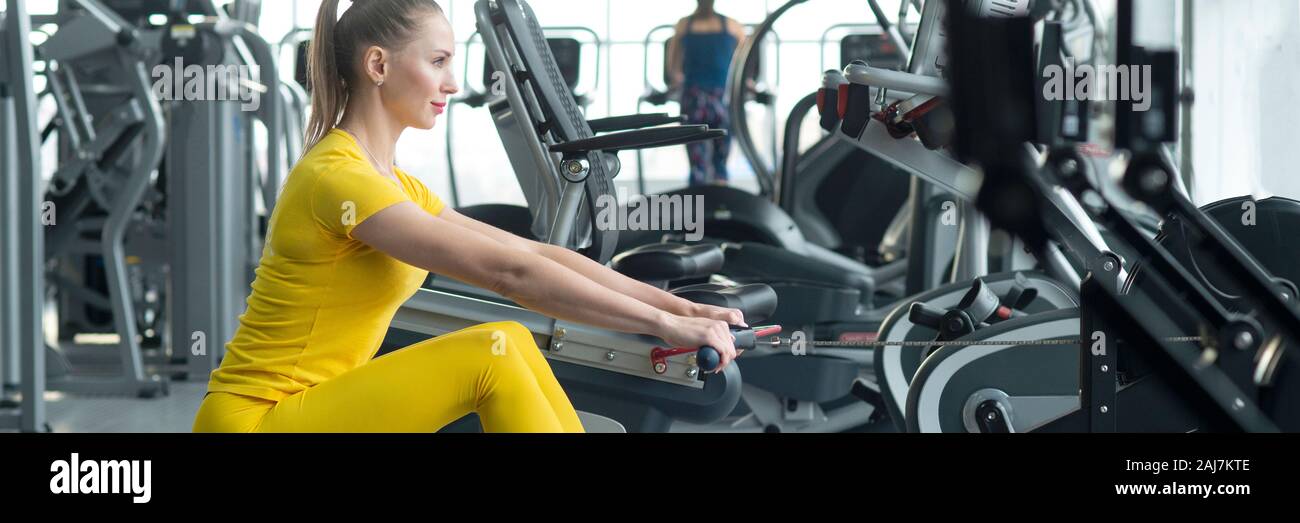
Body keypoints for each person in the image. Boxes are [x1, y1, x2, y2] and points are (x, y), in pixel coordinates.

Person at [192, 0, 744, 433]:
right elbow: (510, 277)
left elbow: (532, 253)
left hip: (315, 407)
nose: (454, 83)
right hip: (258, 419)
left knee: (511, 341)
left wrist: (683, 305)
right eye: (437, 62)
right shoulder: (339, 178)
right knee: (493, 352)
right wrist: (666, 327)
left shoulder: (394, 183)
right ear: (378, 65)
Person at [667, 0, 747, 186]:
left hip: (710, 98)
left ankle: (711, 197)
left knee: (710, 162)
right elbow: (673, 66)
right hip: (704, 98)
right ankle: (707, 200)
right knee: (707, 164)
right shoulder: (685, 25)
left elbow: (744, 60)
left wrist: (745, 82)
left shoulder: (731, 26)